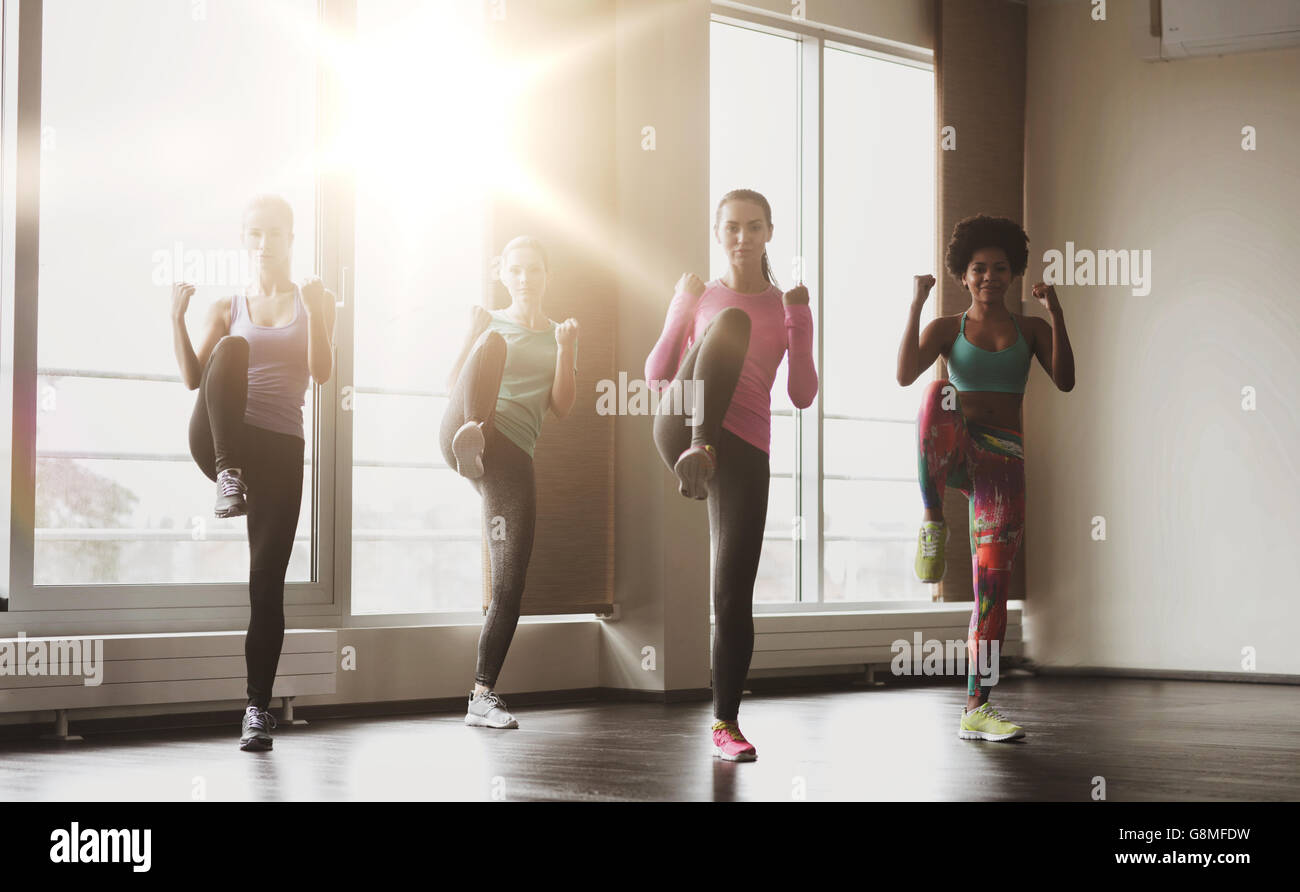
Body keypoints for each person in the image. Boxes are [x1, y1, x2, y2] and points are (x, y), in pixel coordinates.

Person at [645, 189, 818, 762]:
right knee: (733, 322)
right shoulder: (706, 295)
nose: (741, 237)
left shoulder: (782, 304)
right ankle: (701, 447)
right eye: (731, 228)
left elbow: (800, 394)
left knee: (732, 591)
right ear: (718, 233)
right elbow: (658, 372)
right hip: (683, 422)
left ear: (769, 232)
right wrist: (680, 304)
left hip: (746, 448)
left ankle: (726, 724)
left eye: (753, 227)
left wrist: (800, 322)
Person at [896, 214, 1075, 742]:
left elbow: (1065, 381)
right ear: (963, 274)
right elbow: (906, 373)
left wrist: (1057, 312)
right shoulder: (948, 328)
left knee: (990, 587)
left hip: (1004, 462)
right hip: (959, 447)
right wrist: (915, 305)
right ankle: (932, 520)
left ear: (1013, 273)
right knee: (935, 392)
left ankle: (978, 706)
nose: (989, 277)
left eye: (1000, 268)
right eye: (979, 268)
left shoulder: (1032, 329)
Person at [172, 194, 336, 751]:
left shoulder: (313, 301)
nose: (263, 244)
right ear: (246, 240)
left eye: (273, 233)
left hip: (281, 451)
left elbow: (321, 372)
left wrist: (318, 313)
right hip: (223, 439)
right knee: (234, 349)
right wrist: (175, 318)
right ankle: (227, 476)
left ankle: (256, 712)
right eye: (254, 234)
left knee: (266, 584)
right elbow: (196, 378)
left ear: (291, 239)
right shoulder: (229, 306)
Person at [440, 236, 579, 730]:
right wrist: (472, 334)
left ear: (546, 275)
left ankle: (482, 696)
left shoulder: (558, 333)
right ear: (502, 273)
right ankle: (472, 438)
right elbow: (452, 383)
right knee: (493, 344)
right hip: (465, 427)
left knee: (510, 580)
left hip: (509, 455)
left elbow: (561, 406)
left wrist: (566, 348)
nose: (525, 278)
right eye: (516, 270)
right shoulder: (491, 325)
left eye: (534, 270)